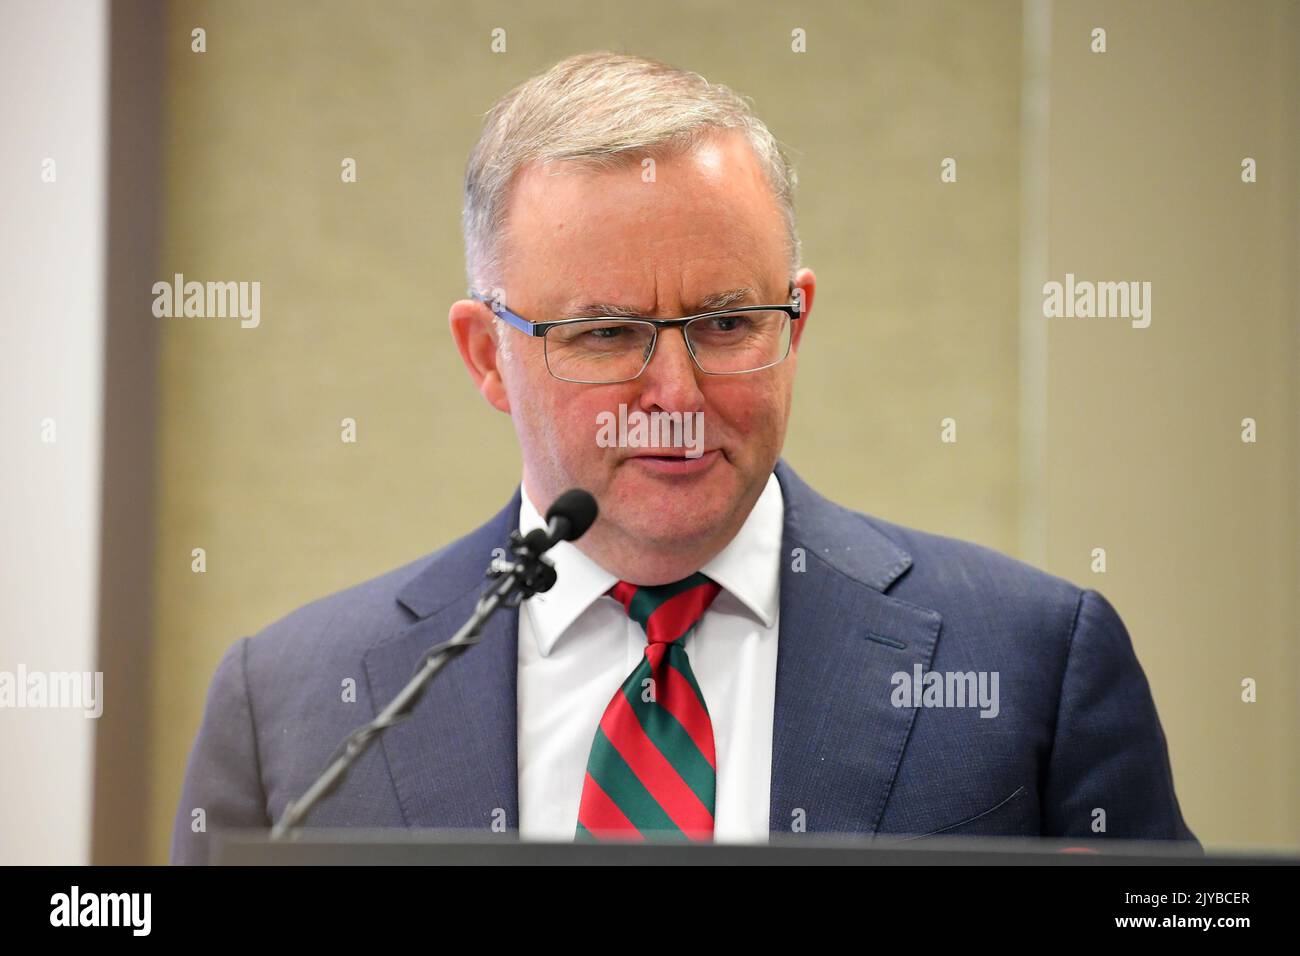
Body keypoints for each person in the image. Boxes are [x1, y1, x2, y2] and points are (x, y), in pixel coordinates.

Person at [172, 52, 1195, 863]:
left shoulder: (1031, 660)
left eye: (725, 320)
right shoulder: (293, 708)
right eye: (606, 334)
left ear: (795, 317)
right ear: (489, 356)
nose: (675, 393)